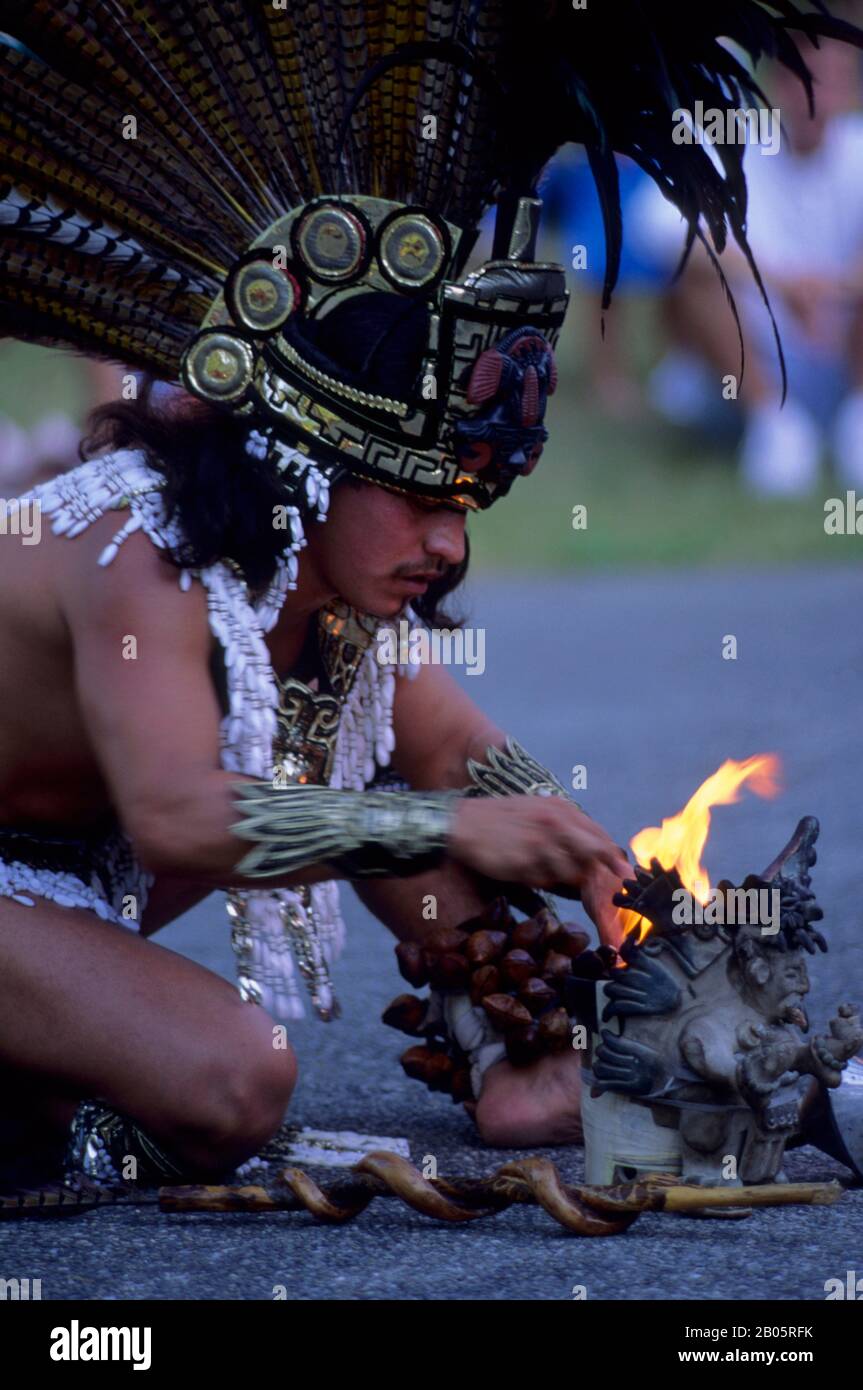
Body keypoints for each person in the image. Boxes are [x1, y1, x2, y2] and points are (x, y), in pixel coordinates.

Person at [1, 1, 859, 1189]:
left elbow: (448, 744)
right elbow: (176, 820)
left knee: (362, 753)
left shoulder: (322, 575)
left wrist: (597, 858)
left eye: (468, 501)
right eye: (420, 496)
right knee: (238, 1077)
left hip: (62, 888)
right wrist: (462, 826)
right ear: (300, 452)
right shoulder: (140, 556)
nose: (449, 544)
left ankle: (522, 1068)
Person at [633, 34, 863, 494]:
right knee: (694, 274)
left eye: (834, 82)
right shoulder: (733, 142)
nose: (817, 97)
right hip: (749, 351)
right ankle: (774, 425)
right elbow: (655, 228)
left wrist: (830, 289)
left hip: (838, 342)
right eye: (803, 82)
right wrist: (784, 284)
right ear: (777, 85)